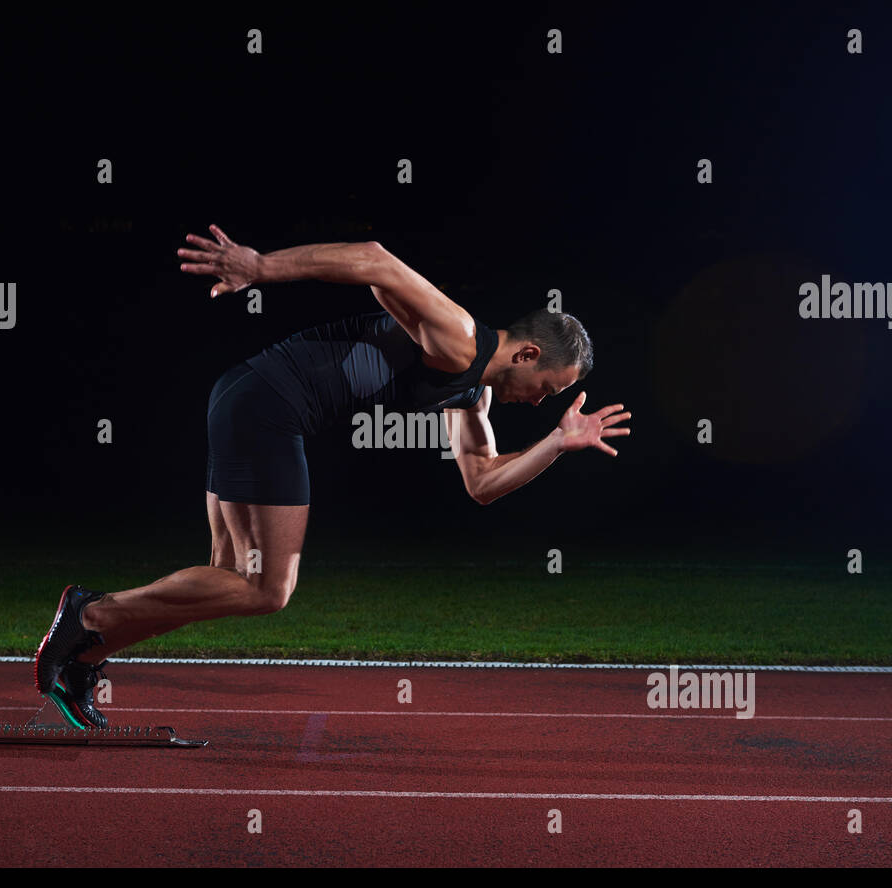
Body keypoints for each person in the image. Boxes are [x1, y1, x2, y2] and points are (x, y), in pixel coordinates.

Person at [34, 225, 631, 727]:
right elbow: (374, 259)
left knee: (225, 580)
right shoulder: (460, 336)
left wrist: (556, 442)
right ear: (528, 355)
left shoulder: (471, 390)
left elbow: (481, 482)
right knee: (269, 588)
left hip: (247, 398)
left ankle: (89, 652)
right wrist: (259, 267)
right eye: (547, 390)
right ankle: (90, 614)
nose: (538, 402)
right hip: (270, 406)